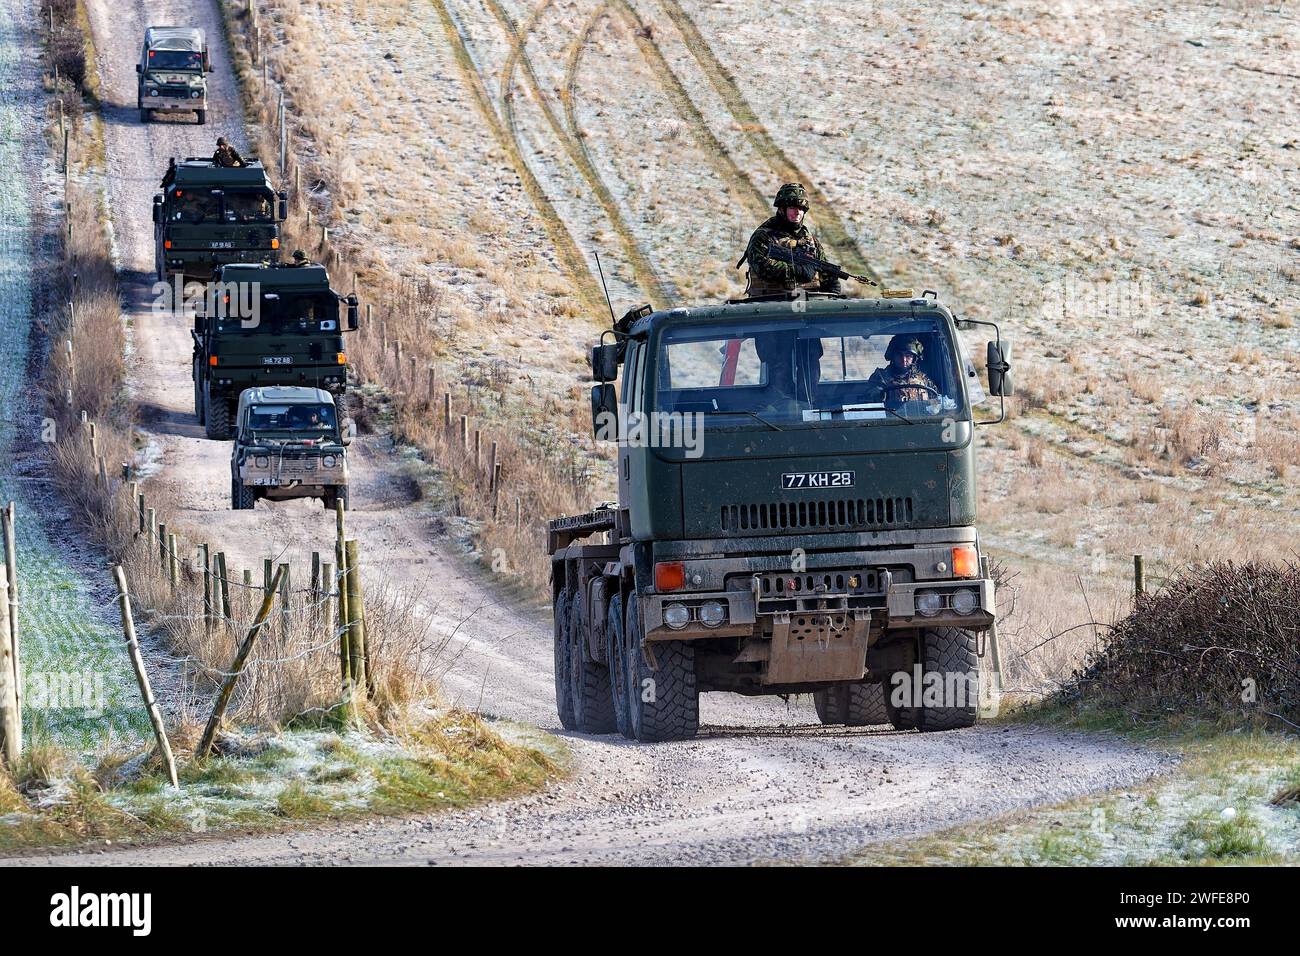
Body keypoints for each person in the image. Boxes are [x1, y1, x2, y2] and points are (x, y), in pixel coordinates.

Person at [740, 184, 841, 297]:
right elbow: (762, 267)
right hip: (769, 302)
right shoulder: (763, 236)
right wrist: (798, 271)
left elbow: (821, 268)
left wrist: (830, 281)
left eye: (801, 208)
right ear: (782, 209)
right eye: (793, 208)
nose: (798, 212)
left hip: (808, 302)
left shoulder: (810, 240)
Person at [864, 336, 940, 407]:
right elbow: (873, 401)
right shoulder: (880, 378)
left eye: (908, 355)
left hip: (922, 420)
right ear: (892, 356)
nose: (904, 360)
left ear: (914, 358)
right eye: (899, 355)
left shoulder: (923, 379)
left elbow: (937, 402)